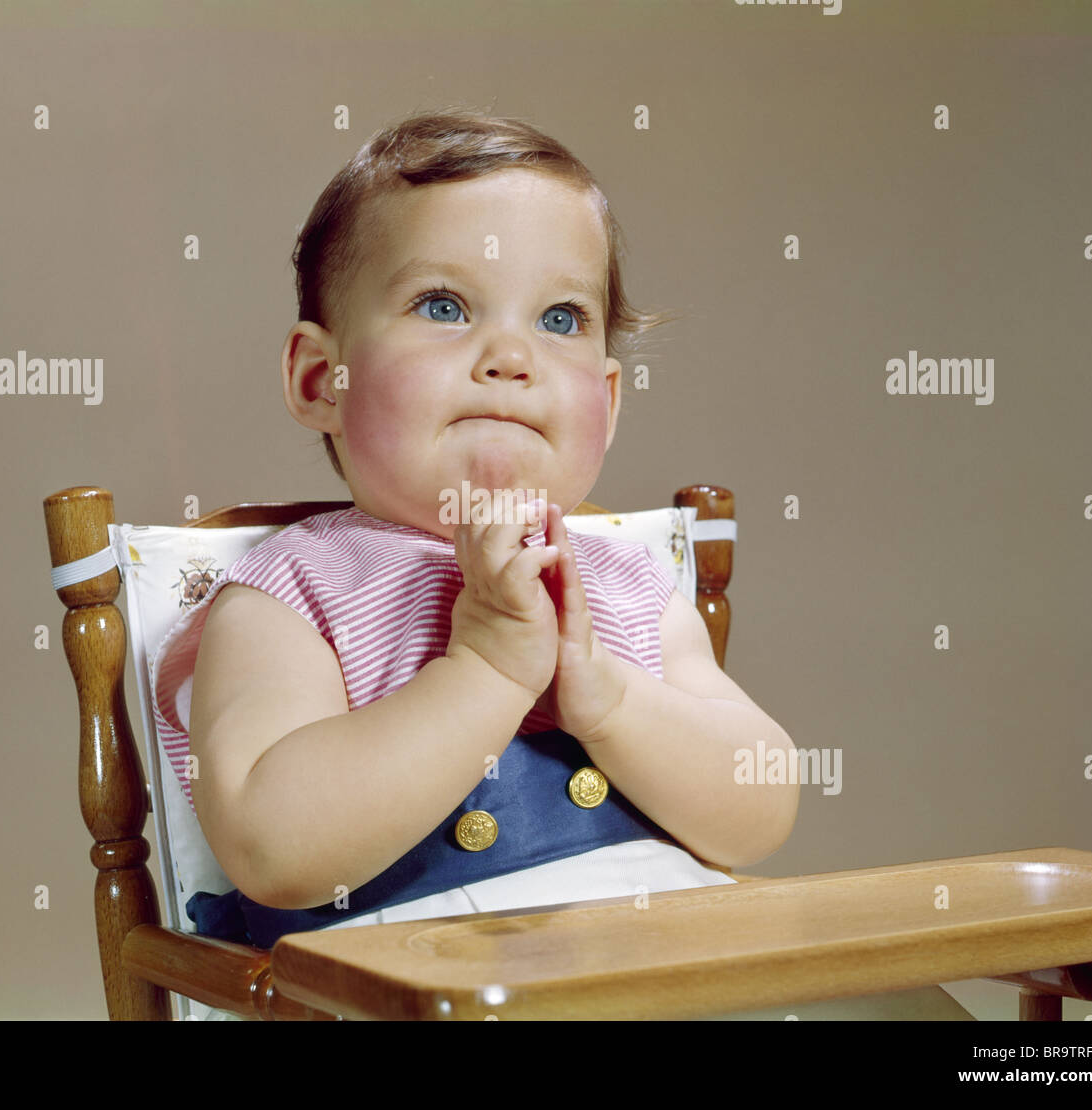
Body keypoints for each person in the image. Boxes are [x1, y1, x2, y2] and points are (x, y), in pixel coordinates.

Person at [152, 107, 972, 1019]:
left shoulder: (622, 583)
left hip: (668, 963)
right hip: (425, 980)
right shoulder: (292, 594)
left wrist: (610, 699)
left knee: (904, 1007)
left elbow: (761, 802)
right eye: (443, 306)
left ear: (609, 405)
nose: (511, 356)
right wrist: (488, 668)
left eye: (560, 317)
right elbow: (275, 846)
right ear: (321, 380)